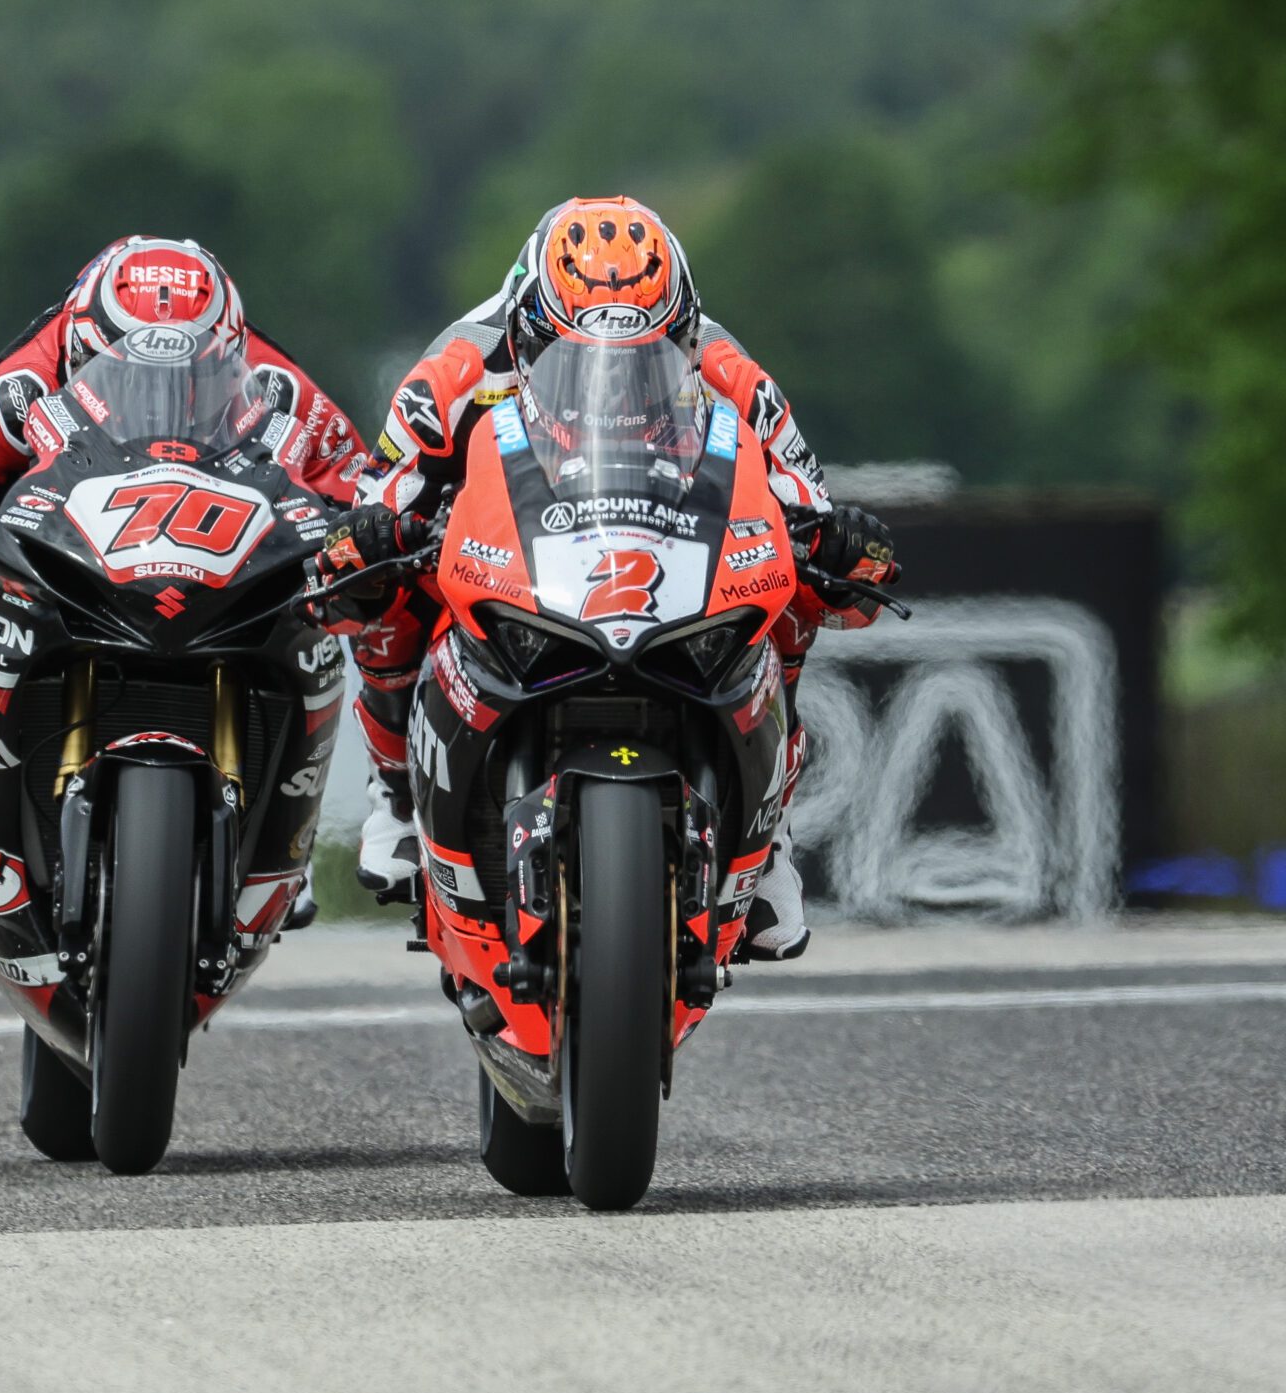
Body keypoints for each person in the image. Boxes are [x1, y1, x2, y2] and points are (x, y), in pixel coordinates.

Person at [317, 196, 898, 960]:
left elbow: (803, 494)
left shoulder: (728, 367)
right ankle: (393, 789)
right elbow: (378, 497)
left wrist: (837, 541)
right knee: (386, 580)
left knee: (790, 583)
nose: (616, 381)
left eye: (645, 360)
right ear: (528, 332)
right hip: (510, 545)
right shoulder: (455, 368)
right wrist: (372, 534)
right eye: (579, 359)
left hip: (664, 544)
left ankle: (771, 835)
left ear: (682, 333)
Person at [0, 236, 370, 923]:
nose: (158, 397)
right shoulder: (19, 384)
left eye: (189, 378)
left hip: (217, 555)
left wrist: (358, 548)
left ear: (231, 354)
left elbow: (373, 506)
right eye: (129, 376)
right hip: (68, 543)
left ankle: (285, 828)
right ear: (76, 351)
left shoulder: (280, 386)